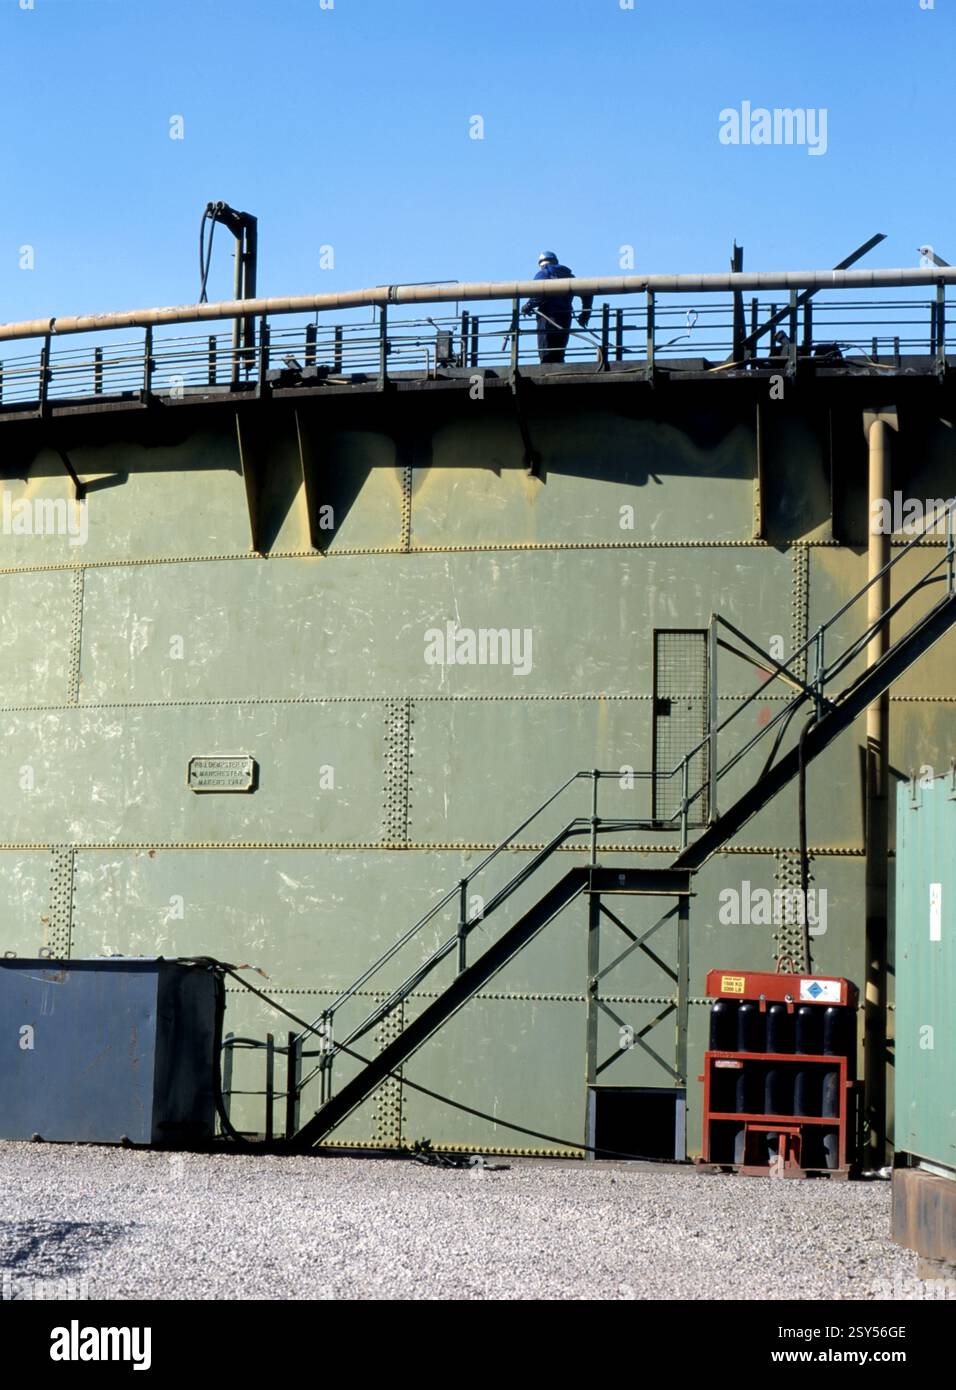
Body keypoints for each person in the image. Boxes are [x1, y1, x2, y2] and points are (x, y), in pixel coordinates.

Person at [521, 251, 593, 364]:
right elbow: (588, 292)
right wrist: (585, 313)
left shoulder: (544, 273)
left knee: (546, 354)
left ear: (541, 263)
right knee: (559, 353)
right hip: (565, 318)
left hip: (548, 318)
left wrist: (529, 305)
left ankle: (546, 374)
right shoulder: (569, 276)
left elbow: (538, 293)